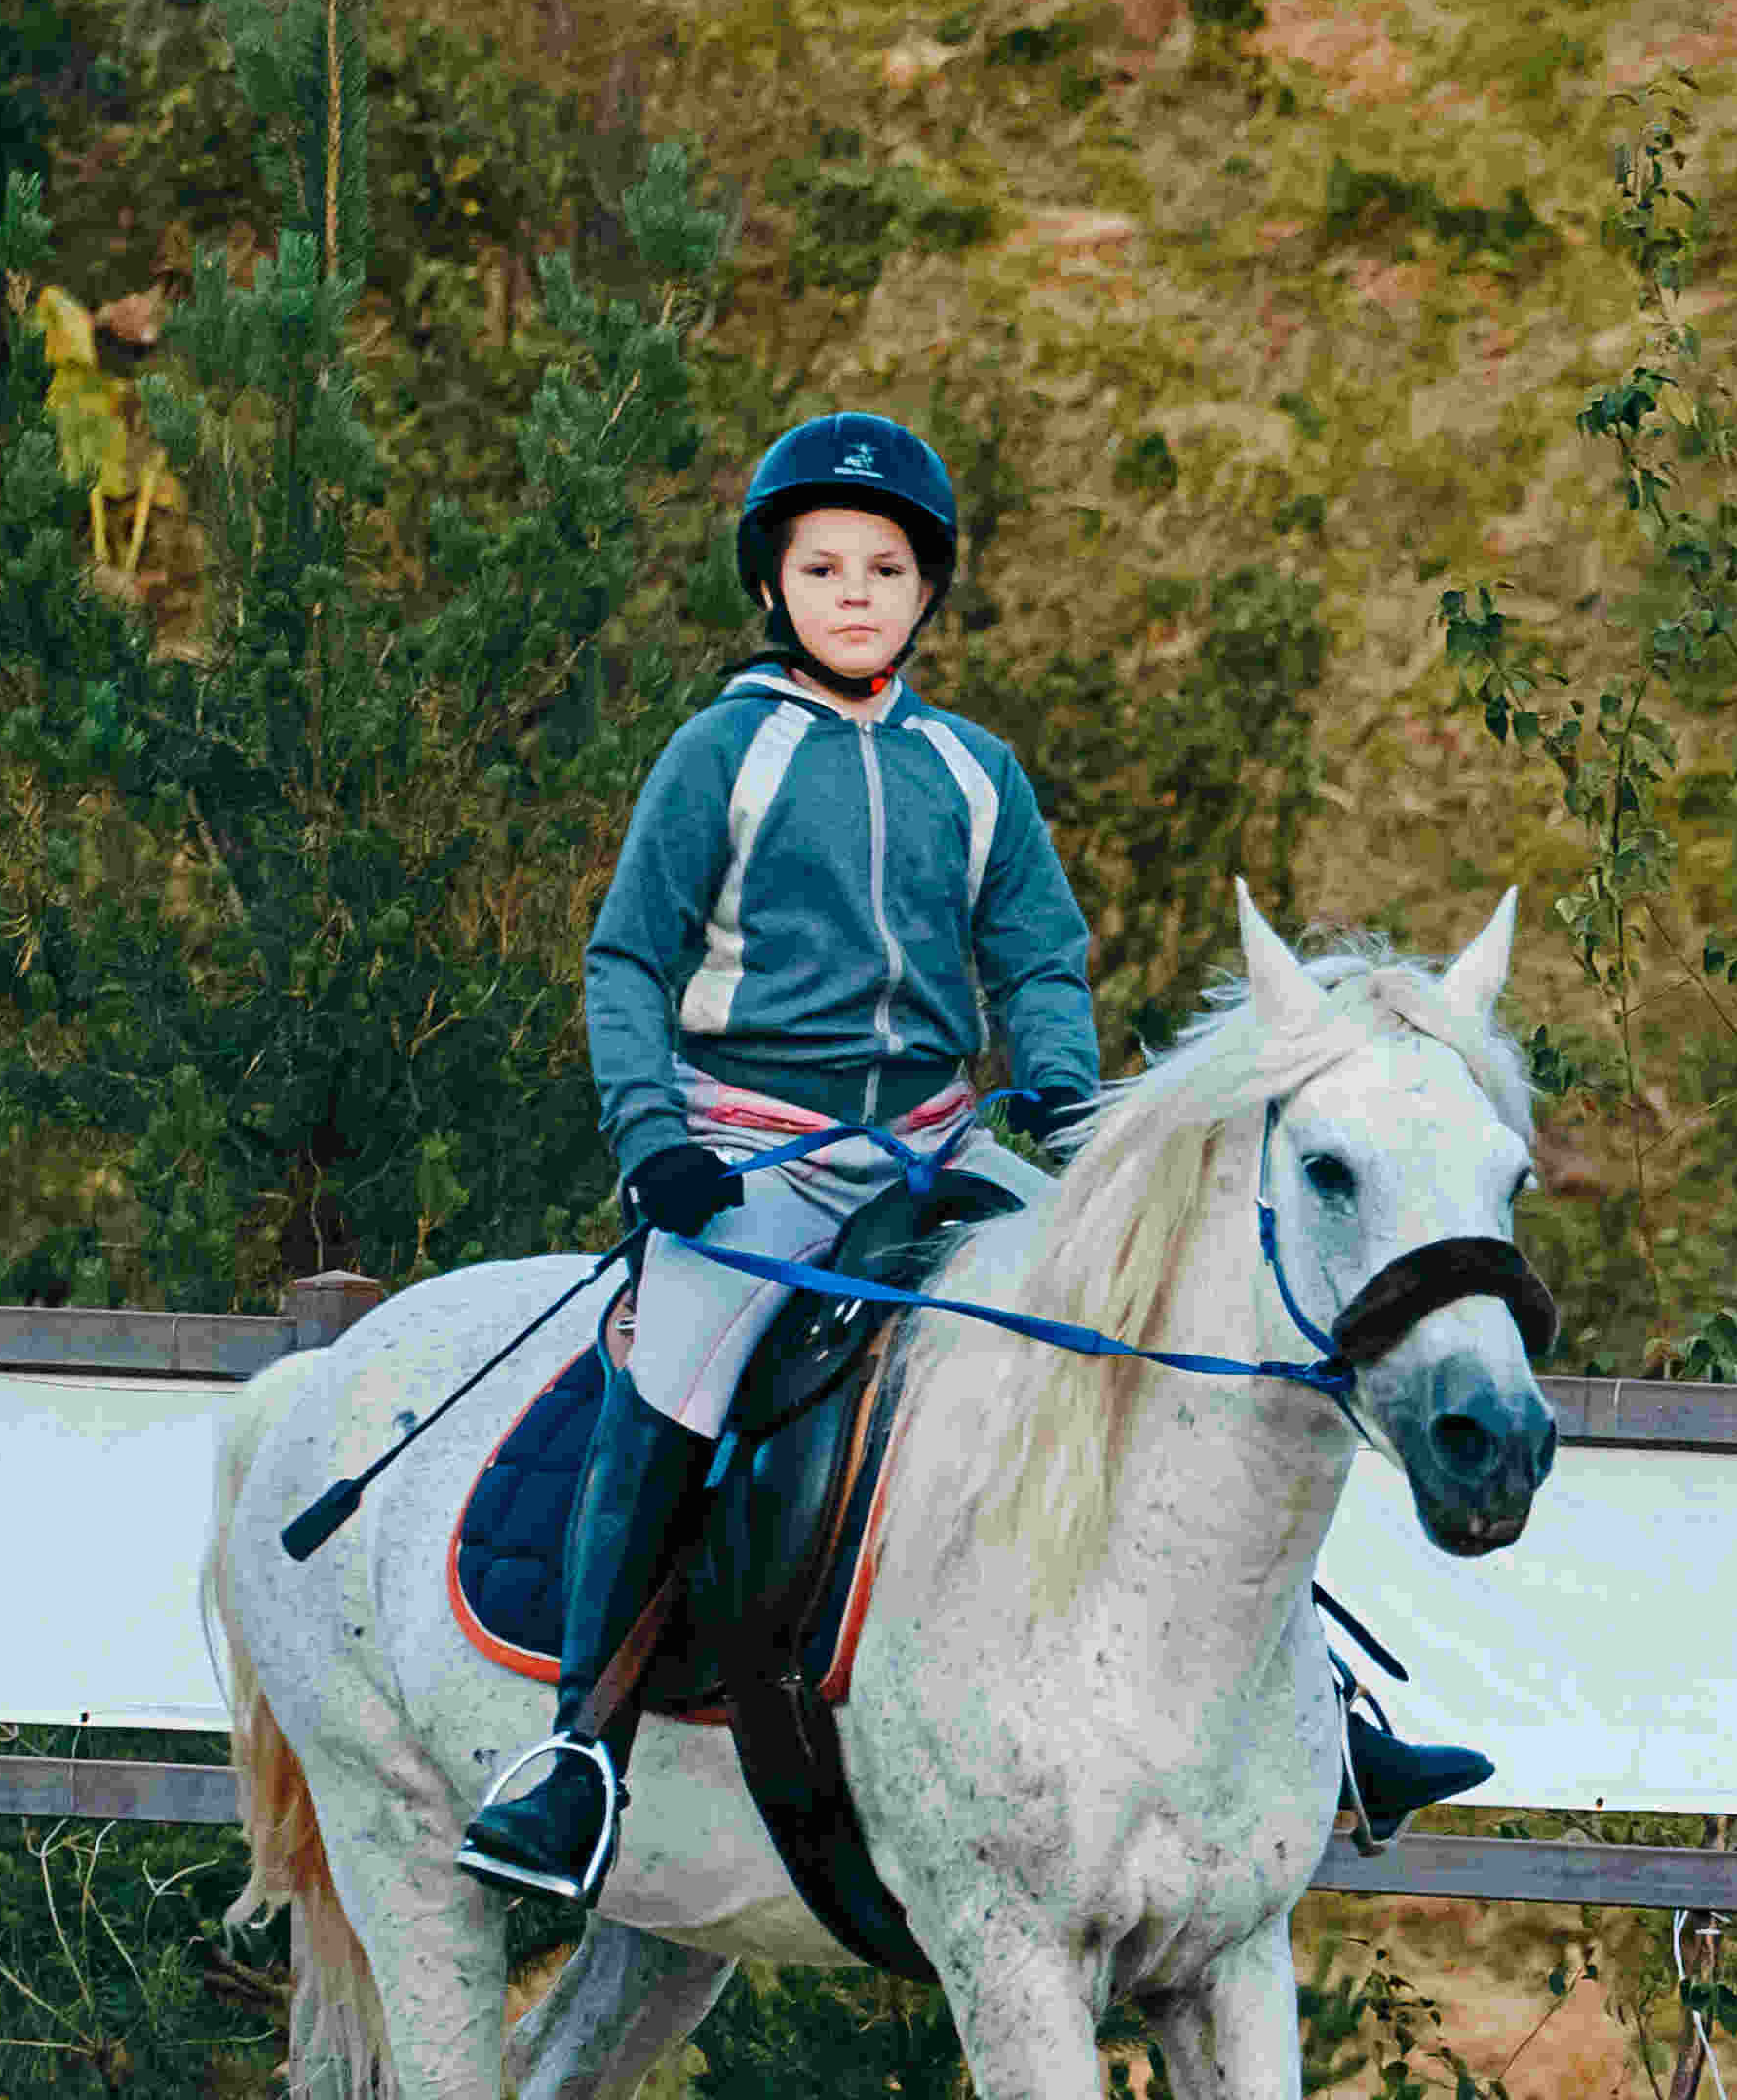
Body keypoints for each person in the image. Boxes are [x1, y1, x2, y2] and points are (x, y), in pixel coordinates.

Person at [456, 413, 1491, 1904]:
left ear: (928, 589)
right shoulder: (719, 754)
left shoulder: (975, 768)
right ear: (774, 583)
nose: (856, 592)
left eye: (886, 566)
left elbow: (1041, 957)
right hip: (754, 1160)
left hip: (940, 1145)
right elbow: (627, 960)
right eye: (823, 565)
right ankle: (578, 1752)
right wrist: (654, 1141)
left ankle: (1331, 1704)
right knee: (676, 1366)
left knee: (1146, 1342)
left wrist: (1064, 1098)